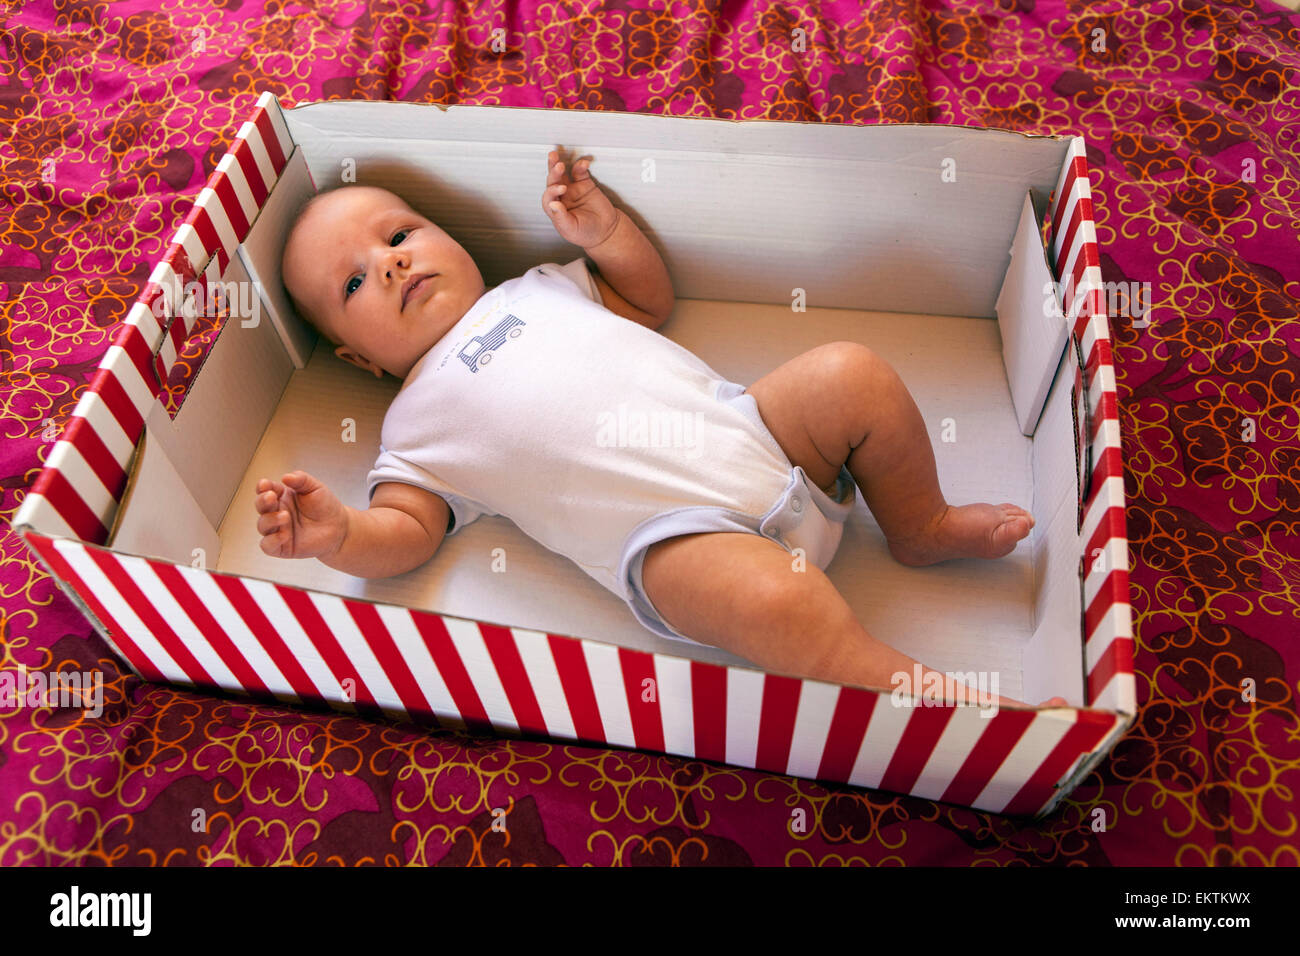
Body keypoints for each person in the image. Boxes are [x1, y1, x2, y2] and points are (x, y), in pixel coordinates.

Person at [260, 152, 1066, 711]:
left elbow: (647, 299)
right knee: (781, 607)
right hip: (676, 542)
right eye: (356, 281)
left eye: (399, 235)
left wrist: (603, 232)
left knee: (850, 372)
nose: (392, 263)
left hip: (757, 435)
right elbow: (406, 533)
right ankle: (952, 706)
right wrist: (339, 534)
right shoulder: (412, 428)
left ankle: (919, 524)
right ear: (357, 359)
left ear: (447, 236)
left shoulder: (539, 285)